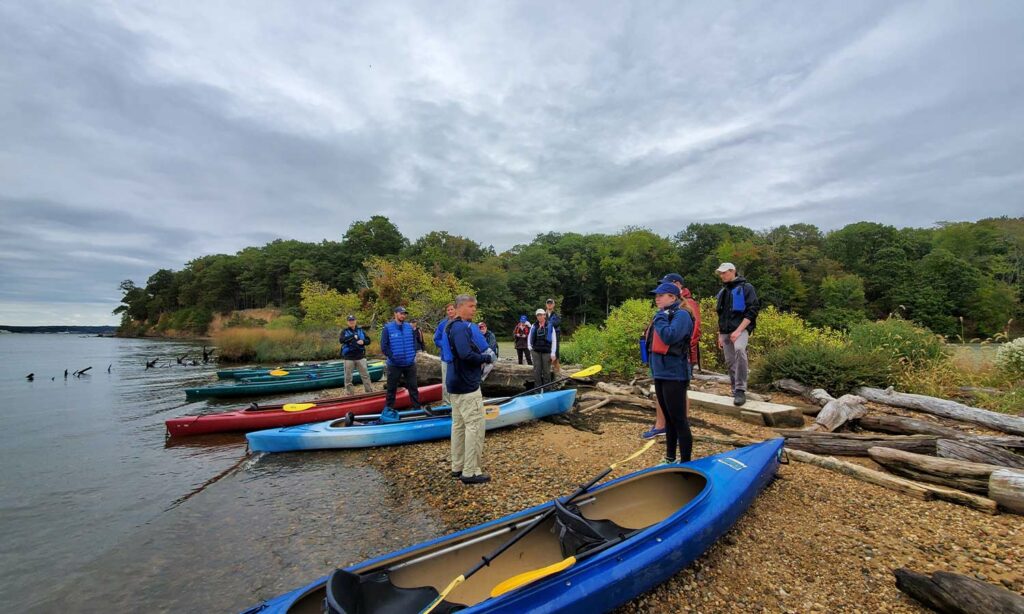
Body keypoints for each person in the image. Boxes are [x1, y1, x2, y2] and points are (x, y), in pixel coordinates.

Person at [641, 274, 702, 439]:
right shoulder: (666, 308)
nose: (658, 295)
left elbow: (693, 332)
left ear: (676, 286)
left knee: (679, 393)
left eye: (664, 287)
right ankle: (663, 426)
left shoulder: (686, 306)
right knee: (663, 392)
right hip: (661, 359)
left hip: (677, 359)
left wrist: (685, 352)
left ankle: (678, 426)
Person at [445, 294, 496, 485]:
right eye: (470, 306)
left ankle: (457, 467)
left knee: (458, 426)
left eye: (475, 306)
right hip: (466, 385)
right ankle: (470, 471)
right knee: (474, 426)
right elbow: (465, 354)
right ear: (459, 308)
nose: (474, 309)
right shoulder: (460, 328)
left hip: (455, 383)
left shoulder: (451, 326)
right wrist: (486, 359)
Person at [646, 282, 694, 464]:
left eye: (661, 295)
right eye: (656, 295)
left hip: (675, 374)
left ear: (673, 297)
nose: (657, 298)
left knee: (679, 420)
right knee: (669, 420)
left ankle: (687, 463)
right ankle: (670, 458)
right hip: (660, 373)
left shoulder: (682, 315)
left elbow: (669, 336)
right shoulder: (665, 314)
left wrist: (659, 318)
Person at [714, 262, 759, 406]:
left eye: (724, 272)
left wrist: (739, 330)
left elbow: (753, 310)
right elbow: (721, 314)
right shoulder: (724, 291)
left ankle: (740, 389)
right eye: (720, 273)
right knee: (729, 361)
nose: (722, 275)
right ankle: (734, 388)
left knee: (740, 350)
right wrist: (720, 334)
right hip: (725, 331)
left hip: (741, 328)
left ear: (733, 271)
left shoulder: (747, 287)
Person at [379, 306, 421, 422]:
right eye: (401, 313)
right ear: (395, 314)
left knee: (413, 387)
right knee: (391, 389)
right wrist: (393, 357)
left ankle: (417, 409)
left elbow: (414, 343)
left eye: (404, 314)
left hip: (409, 363)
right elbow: (384, 346)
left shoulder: (409, 327)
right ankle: (389, 411)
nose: (403, 315)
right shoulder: (387, 328)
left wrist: (413, 355)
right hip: (394, 365)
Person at [339, 315, 374, 395]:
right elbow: (341, 340)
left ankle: (369, 392)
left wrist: (363, 341)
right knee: (348, 378)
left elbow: (368, 341)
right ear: (347, 322)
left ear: (355, 321)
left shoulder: (361, 330)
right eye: (350, 320)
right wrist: (352, 336)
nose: (351, 321)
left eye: (353, 320)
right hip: (348, 358)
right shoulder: (344, 331)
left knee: (365, 376)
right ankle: (350, 394)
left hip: (360, 357)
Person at [433, 303, 456, 405]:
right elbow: (436, 339)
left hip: (459, 358)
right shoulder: (442, 324)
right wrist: (445, 345)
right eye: (448, 310)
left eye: (452, 309)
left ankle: (456, 401)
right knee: (446, 381)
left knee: (458, 380)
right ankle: (446, 403)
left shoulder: (461, 322)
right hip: (445, 358)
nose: (450, 311)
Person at [528, 308, 557, 388]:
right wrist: (530, 347)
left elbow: (554, 340)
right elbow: (529, 337)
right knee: (537, 371)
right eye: (538, 315)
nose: (540, 316)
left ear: (545, 315)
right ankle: (537, 390)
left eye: (542, 315)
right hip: (536, 351)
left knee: (546, 372)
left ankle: (547, 389)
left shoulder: (550, 326)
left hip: (547, 352)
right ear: (536, 316)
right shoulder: (534, 325)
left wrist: (553, 353)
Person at [545, 298, 562, 374]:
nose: (549, 304)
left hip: (555, 337)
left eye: (551, 303)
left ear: (553, 305)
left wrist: (547, 323)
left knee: (556, 355)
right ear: (546, 305)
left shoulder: (557, 314)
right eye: (548, 303)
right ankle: (548, 372)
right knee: (546, 355)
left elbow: (556, 323)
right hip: (545, 338)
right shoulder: (542, 314)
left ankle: (557, 372)